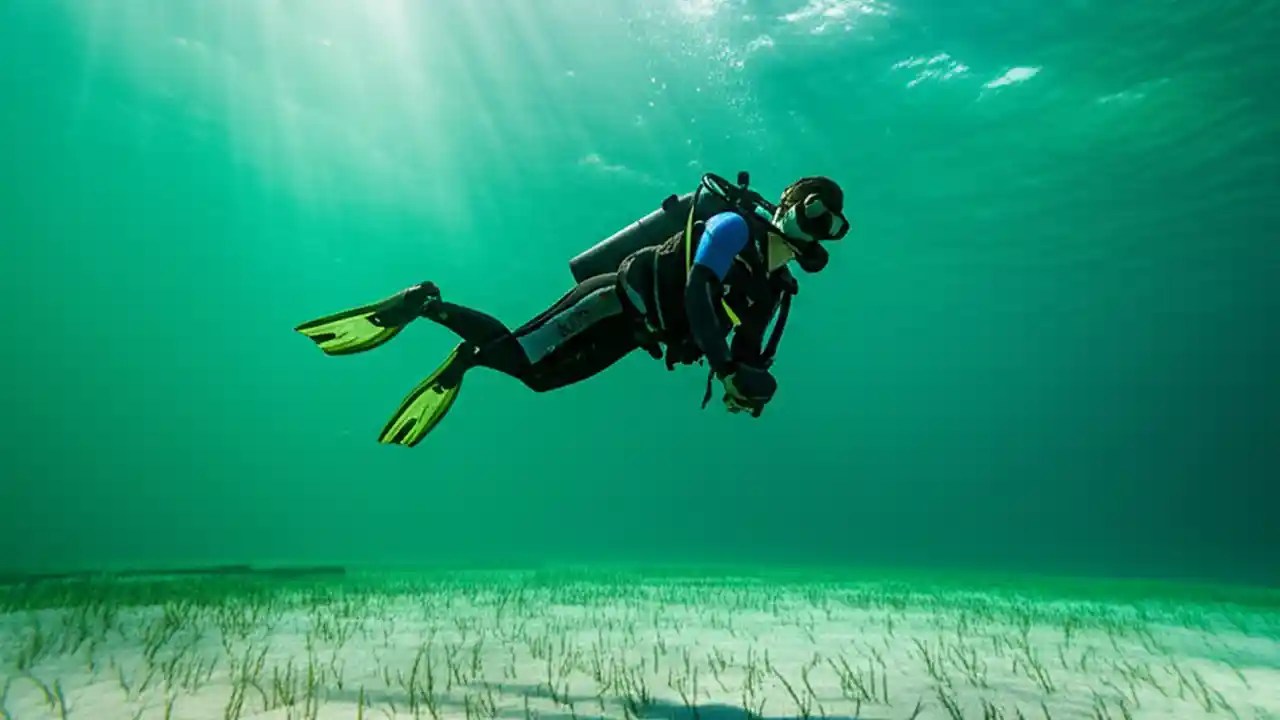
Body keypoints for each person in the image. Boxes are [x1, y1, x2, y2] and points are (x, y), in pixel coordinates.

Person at [295, 171, 849, 447]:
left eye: (830, 223)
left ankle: (468, 355)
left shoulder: (773, 290)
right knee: (523, 356)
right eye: (812, 208)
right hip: (612, 299)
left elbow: (745, 347)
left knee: (539, 380)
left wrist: (744, 385)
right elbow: (698, 290)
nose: (816, 224)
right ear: (787, 203)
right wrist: (725, 368)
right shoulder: (731, 227)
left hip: (637, 332)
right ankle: (424, 304)